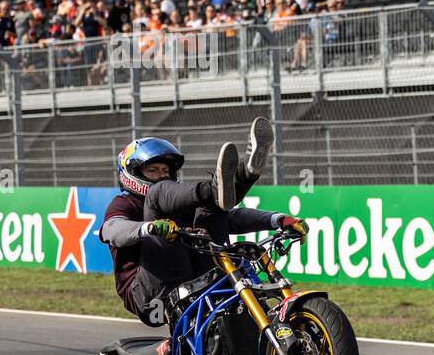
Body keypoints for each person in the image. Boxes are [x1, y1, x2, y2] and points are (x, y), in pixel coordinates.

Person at [99, 119, 304, 325]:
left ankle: (247, 174)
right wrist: (149, 228)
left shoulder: (177, 201)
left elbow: (230, 218)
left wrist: (277, 219)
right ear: (132, 173)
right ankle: (217, 187)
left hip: (194, 281)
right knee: (158, 193)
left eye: (165, 171)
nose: (162, 176)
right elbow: (112, 230)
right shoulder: (123, 203)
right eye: (153, 170)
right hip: (151, 295)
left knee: (212, 209)